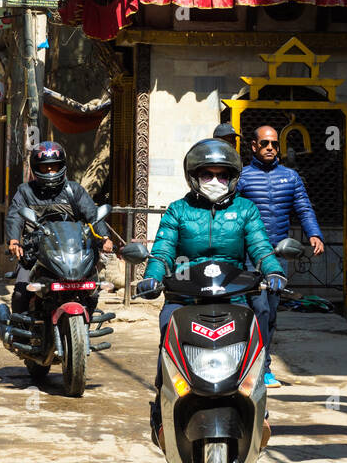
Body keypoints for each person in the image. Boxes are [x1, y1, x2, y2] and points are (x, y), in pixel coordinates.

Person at [137, 137, 285, 444]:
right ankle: (161, 410)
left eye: (222, 175)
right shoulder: (178, 211)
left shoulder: (246, 210)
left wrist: (273, 271)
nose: (215, 181)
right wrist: (151, 278)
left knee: (255, 335)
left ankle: (260, 409)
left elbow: (260, 245)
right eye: (207, 174)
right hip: (186, 295)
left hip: (235, 295)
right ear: (194, 177)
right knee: (168, 330)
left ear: (233, 178)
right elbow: (163, 250)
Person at [237, 125, 324, 388]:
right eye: (264, 143)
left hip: (279, 254)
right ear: (254, 146)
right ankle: (256, 366)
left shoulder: (291, 177)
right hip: (249, 255)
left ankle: (262, 365)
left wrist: (314, 234)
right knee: (258, 308)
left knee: (271, 312)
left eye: (274, 144)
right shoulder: (242, 178)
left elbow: (304, 208)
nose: (270, 148)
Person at [5, 141, 113, 313]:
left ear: (61, 166)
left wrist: (104, 237)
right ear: (36, 168)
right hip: (36, 253)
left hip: (72, 252)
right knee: (21, 293)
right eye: (45, 167)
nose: (50, 171)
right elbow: (15, 216)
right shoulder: (25, 191)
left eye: (54, 166)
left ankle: (86, 321)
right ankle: (19, 332)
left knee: (92, 289)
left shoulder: (74, 190)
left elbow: (93, 214)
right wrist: (14, 240)